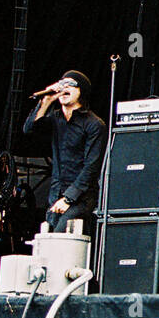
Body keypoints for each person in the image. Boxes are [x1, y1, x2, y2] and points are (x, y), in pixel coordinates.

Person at [22, 69, 106, 235]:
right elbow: (29, 129)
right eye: (62, 84)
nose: (64, 87)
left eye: (70, 85)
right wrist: (46, 100)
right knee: (50, 243)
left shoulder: (94, 124)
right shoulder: (56, 118)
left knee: (60, 241)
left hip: (80, 198)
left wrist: (69, 198)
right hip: (56, 195)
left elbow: (91, 167)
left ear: (81, 91)